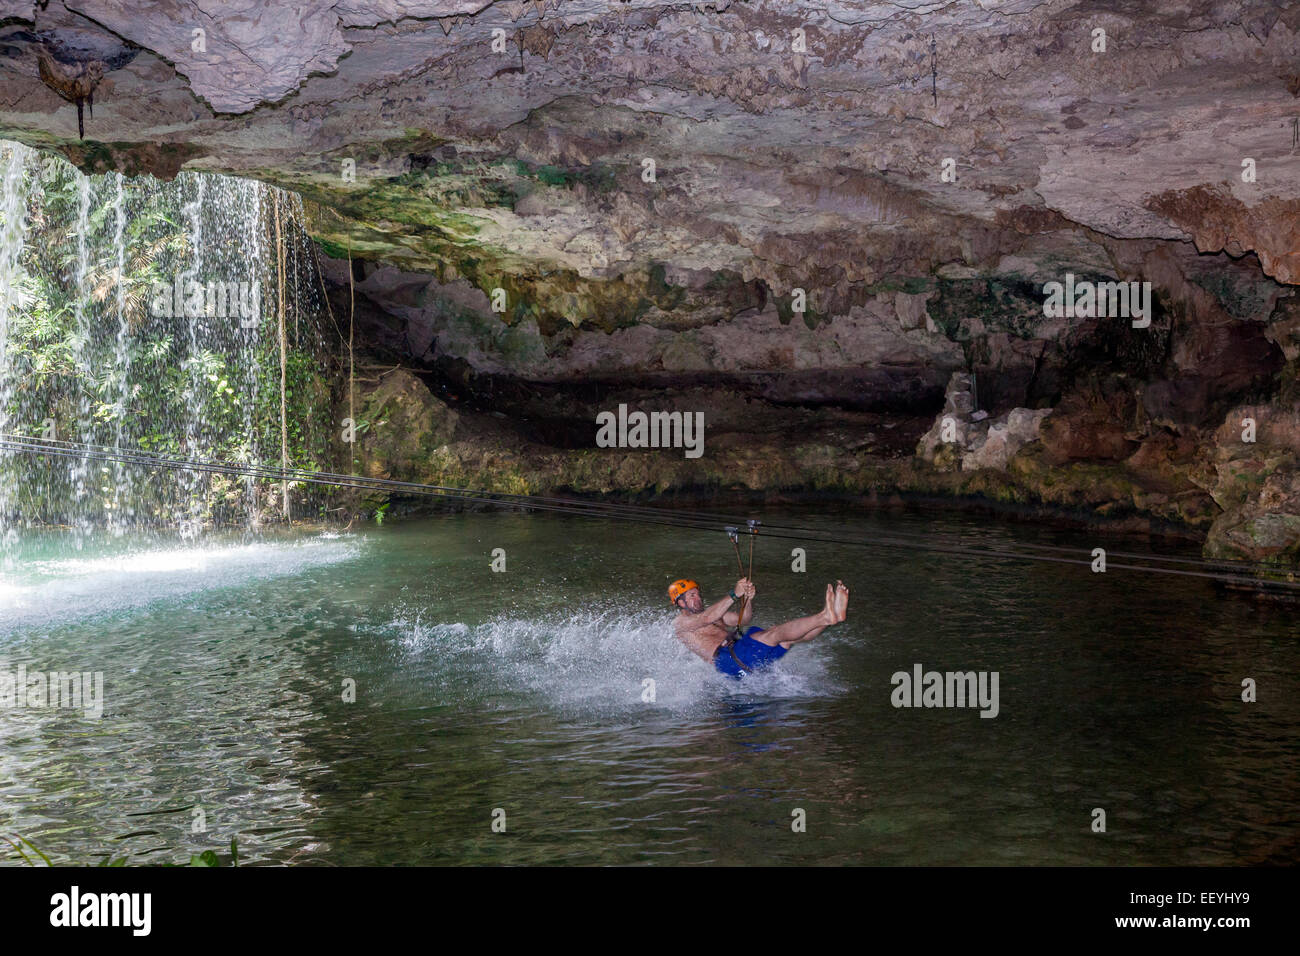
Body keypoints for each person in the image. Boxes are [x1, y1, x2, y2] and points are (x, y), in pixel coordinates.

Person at [669, 577, 848, 678]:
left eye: (698, 594)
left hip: (742, 656)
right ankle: (824, 616)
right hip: (729, 661)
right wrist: (734, 593)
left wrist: (747, 599)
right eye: (692, 595)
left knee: (787, 638)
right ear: (680, 602)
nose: (698, 598)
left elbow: (744, 618)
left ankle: (829, 619)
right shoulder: (681, 624)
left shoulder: (715, 613)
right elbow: (707, 617)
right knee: (774, 634)